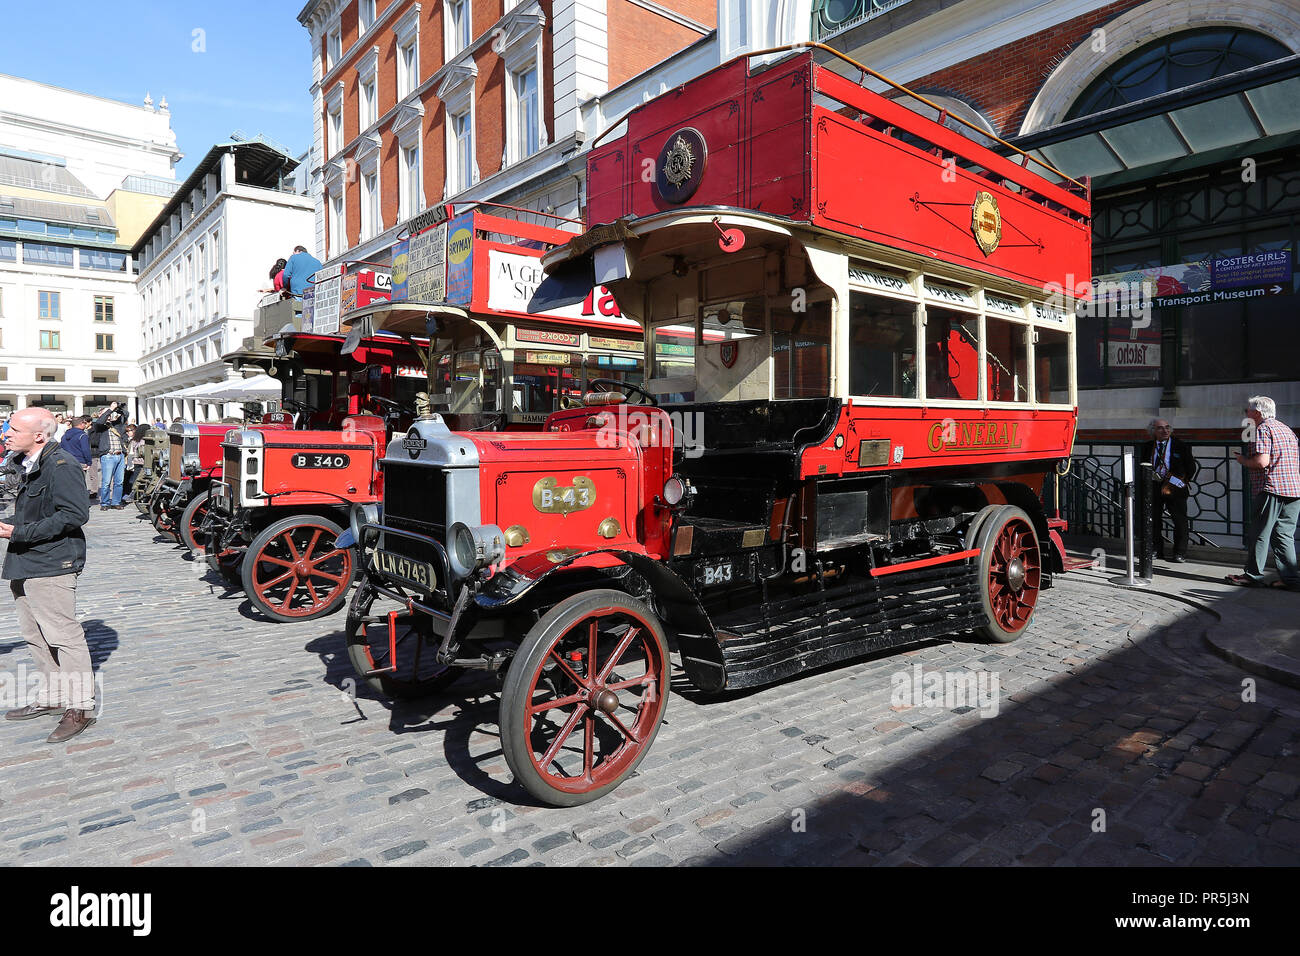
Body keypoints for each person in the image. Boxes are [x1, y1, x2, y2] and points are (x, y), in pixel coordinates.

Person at [0, 407, 96, 742]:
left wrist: (17, 533)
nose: (5, 434)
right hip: (26, 561)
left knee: (64, 637)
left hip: (52, 562)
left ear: (39, 436)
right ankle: (54, 696)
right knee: (35, 635)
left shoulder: (62, 465)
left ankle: (80, 707)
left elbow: (74, 515)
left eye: (12, 429)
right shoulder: (25, 462)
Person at [1227, 395, 1300, 590]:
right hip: (1293, 490)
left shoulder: (1262, 428)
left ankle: (1253, 575)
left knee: (1259, 533)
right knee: (1284, 535)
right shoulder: (1286, 429)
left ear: (1257, 413)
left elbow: (1261, 462)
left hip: (1271, 488)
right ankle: (1290, 579)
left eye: (1247, 411)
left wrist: (1242, 460)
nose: (1246, 414)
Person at [1138, 418, 1198, 563]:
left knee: (1179, 520)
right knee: (1153, 519)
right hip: (1154, 486)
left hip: (1174, 487)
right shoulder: (1147, 446)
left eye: (1167, 427)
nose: (1165, 431)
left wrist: (1181, 480)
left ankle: (1179, 553)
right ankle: (1156, 550)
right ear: (1153, 431)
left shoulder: (1180, 445)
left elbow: (1191, 467)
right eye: (1160, 428)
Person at [90, 403, 129, 511]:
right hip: (108, 456)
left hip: (119, 455)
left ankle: (116, 501)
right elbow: (100, 421)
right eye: (106, 414)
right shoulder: (100, 427)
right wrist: (109, 410)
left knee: (119, 482)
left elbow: (126, 415)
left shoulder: (117, 425)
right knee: (106, 482)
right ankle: (105, 502)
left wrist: (118, 409)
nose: (108, 415)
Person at [62, 416, 94, 498]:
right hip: (79, 461)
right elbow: (86, 450)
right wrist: (89, 462)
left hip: (66, 461)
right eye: (85, 423)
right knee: (80, 484)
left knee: (68, 483)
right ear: (81, 424)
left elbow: (61, 448)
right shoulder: (82, 435)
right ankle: (79, 502)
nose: (86, 425)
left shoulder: (64, 436)